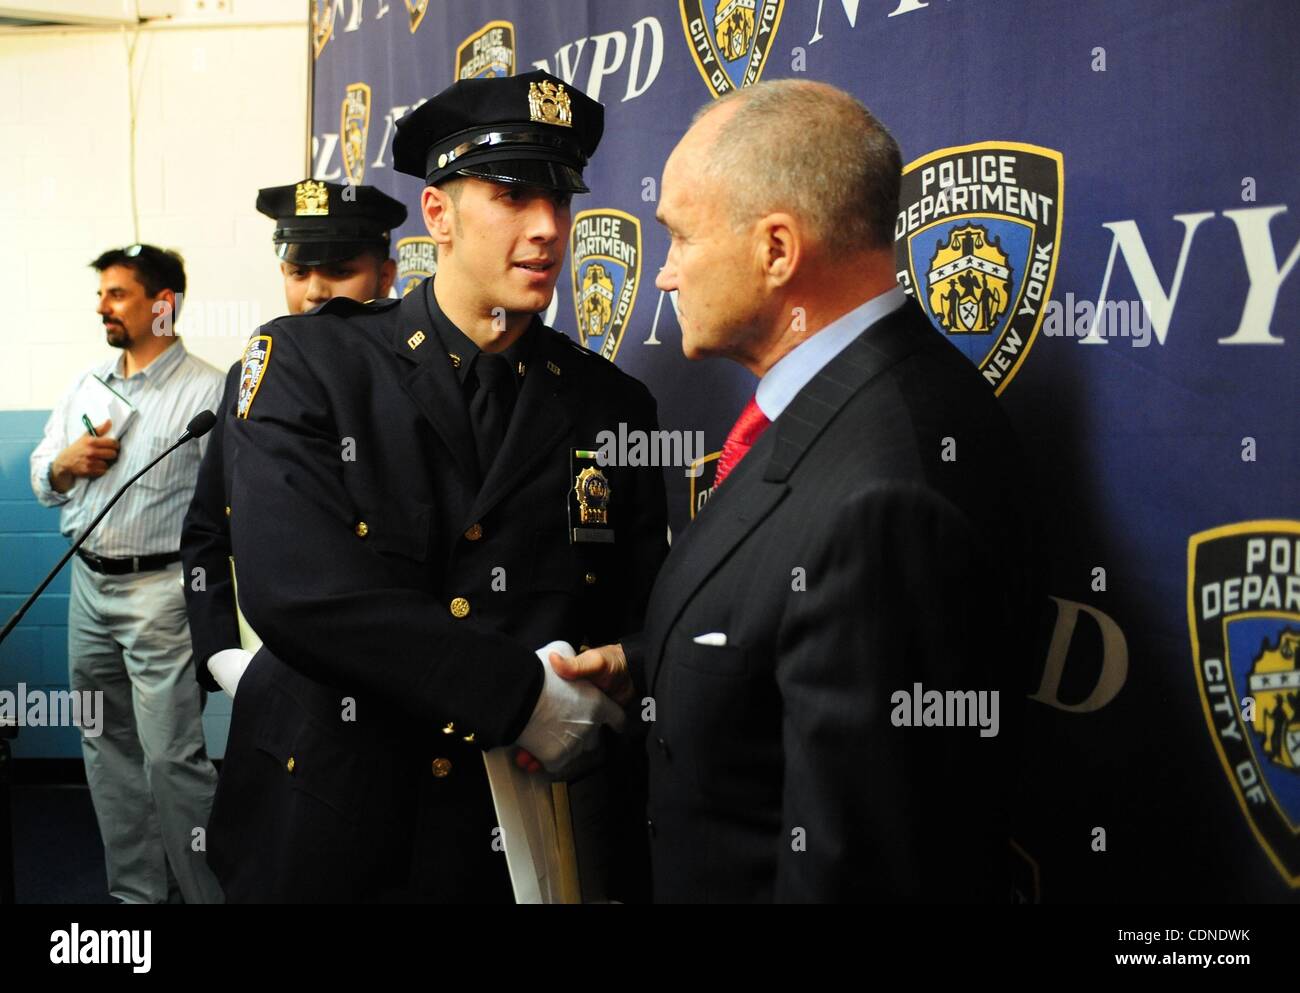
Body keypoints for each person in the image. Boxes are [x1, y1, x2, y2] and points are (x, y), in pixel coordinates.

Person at [552, 80, 1037, 902]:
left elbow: (862, 868)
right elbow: (799, 626)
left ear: (776, 250)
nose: (662, 276)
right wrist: (649, 663)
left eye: (678, 237)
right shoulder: (841, 398)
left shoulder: (888, 492)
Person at [205, 70, 668, 902]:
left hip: (510, 839)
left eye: (560, 201)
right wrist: (521, 695)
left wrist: (629, 661)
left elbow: (645, 602)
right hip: (331, 816)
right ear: (438, 214)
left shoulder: (610, 404)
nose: (547, 229)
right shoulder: (310, 364)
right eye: (513, 195)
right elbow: (297, 589)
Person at [28, 244, 225, 904]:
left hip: (160, 596)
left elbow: (230, 507)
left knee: (172, 758)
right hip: (87, 588)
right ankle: (139, 896)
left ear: (162, 305)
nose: (102, 306)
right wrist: (65, 464)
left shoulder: (207, 390)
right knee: (104, 747)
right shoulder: (88, 384)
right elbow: (40, 474)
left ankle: (204, 893)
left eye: (117, 293)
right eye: (102, 294)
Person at [180, 180, 406, 698]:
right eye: (298, 271)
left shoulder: (420, 376)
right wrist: (219, 652)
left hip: (388, 671)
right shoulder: (252, 373)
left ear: (386, 275)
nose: (315, 291)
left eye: (340, 271)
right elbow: (207, 526)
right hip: (276, 672)